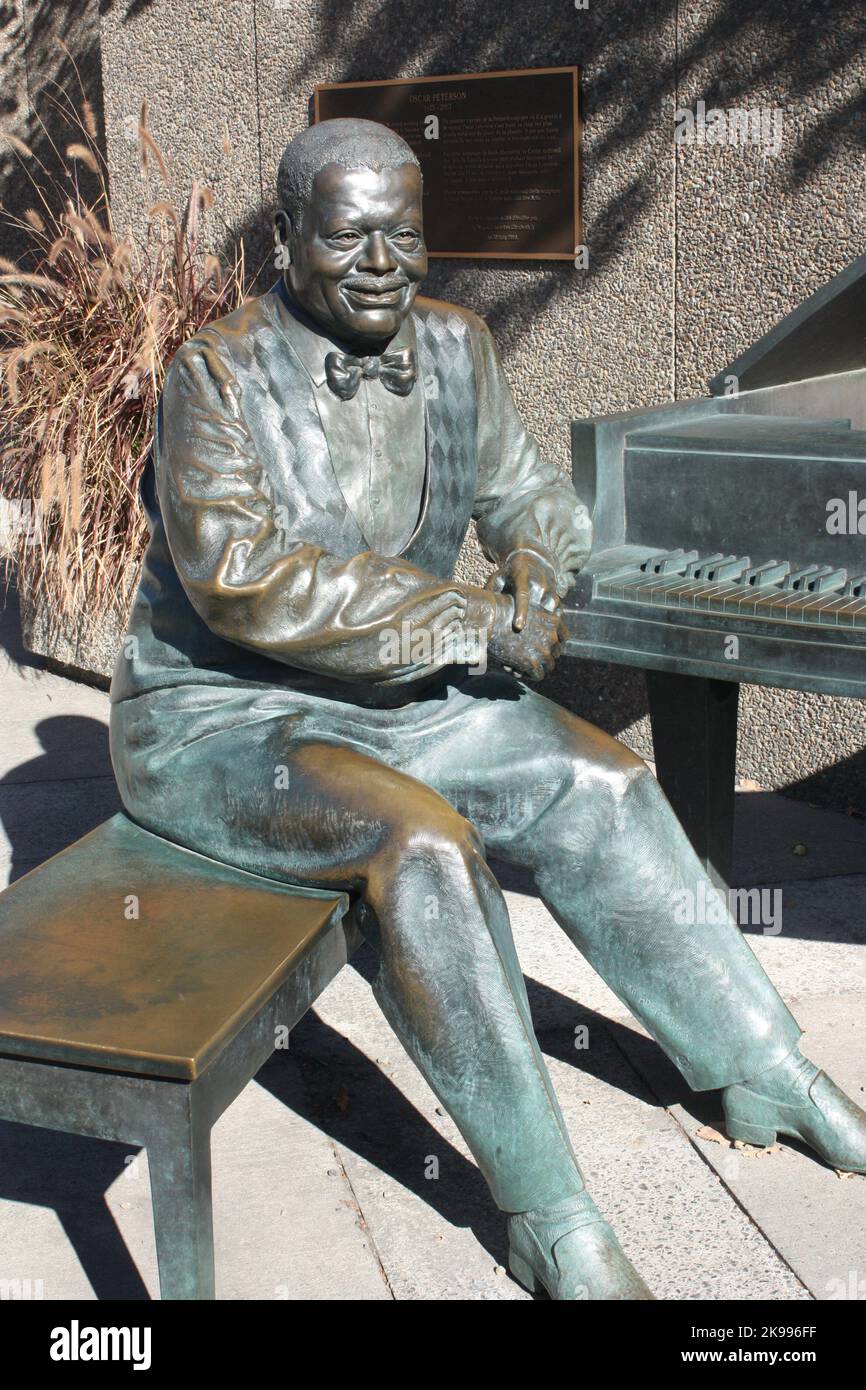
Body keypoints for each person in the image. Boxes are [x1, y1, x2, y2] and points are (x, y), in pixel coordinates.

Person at [110, 118, 866, 1300]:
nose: (380, 264)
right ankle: (545, 1209)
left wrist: (534, 564)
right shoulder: (211, 376)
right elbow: (244, 581)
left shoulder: (456, 348)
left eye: (403, 236)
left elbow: (526, 494)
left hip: (397, 692)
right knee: (423, 851)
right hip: (228, 714)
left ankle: (762, 1067)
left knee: (603, 785)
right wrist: (468, 620)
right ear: (287, 237)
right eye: (348, 236)